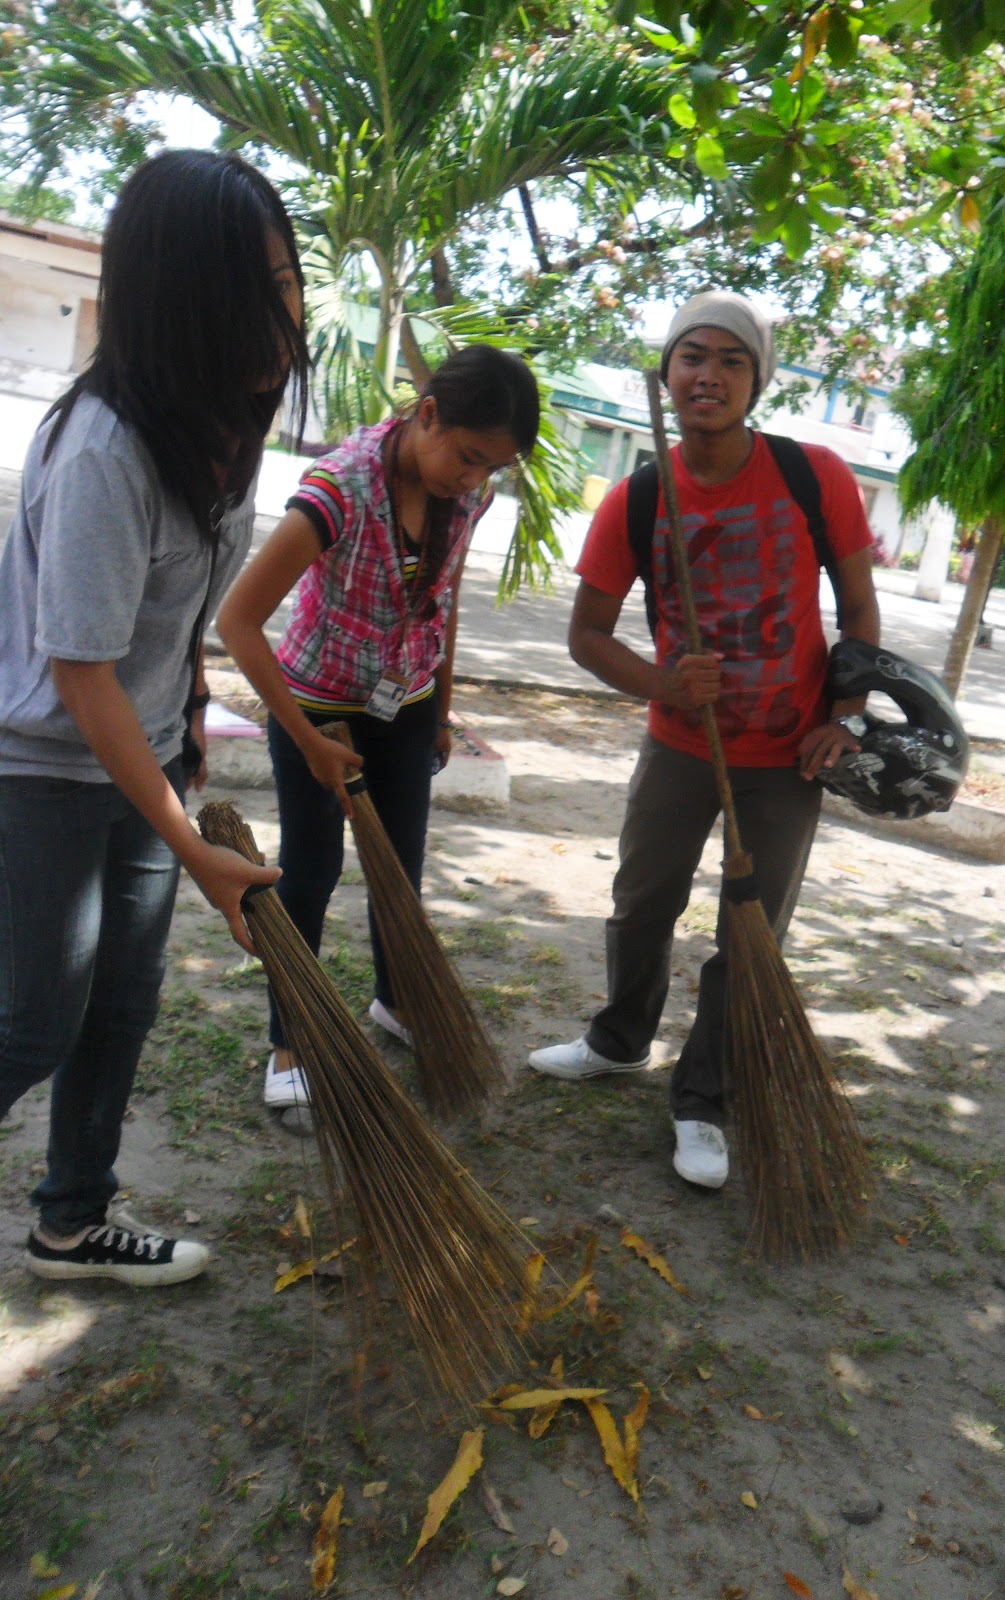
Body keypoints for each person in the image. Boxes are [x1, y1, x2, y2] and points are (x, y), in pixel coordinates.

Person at [0, 150, 308, 1285]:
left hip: (140, 767)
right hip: (39, 768)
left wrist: (183, 747)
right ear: (187, 293)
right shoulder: (104, 451)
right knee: (34, 1019)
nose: (286, 307)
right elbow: (79, 677)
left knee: (122, 1005)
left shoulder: (219, 428)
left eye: (288, 276)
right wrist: (189, 842)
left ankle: (70, 1225)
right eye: (258, 282)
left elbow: (167, 631)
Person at [528, 291, 881, 1190]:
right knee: (642, 901)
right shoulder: (638, 496)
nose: (708, 374)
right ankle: (618, 1042)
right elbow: (588, 636)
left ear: (757, 379)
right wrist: (662, 685)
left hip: (788, 756)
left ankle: (704, 1101)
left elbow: (859, 612)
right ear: (666, 373)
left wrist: (844, 716)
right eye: (692, 356)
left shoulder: (816, 476)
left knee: (750, 933)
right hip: (680, 749)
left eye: (731, 359)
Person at [218, 344, 540, 1110]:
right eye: (466, 458)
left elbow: (444, 596)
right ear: (427, 414)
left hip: (409, 701)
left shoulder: (467, 495)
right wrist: (305, 738)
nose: (473, 481)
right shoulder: (336, 491)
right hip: (318, 705)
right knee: (311, 874)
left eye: (491, 469)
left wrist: (443, 705)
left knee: (402, 865)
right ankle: (291, 1038)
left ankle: (396, 1002)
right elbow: (238, 622)